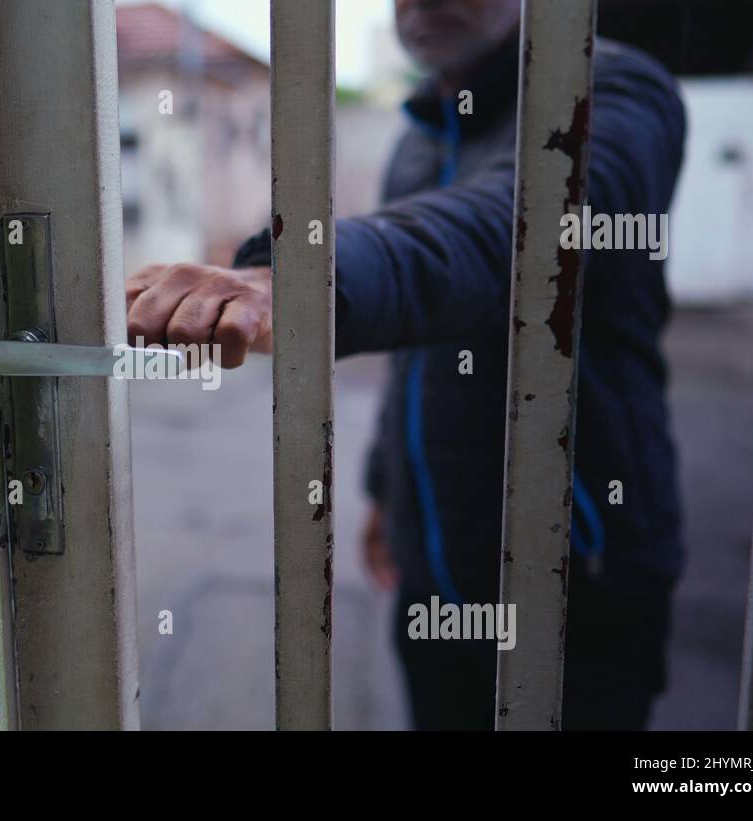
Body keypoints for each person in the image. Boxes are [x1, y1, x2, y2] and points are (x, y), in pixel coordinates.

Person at [124, 0, 687, 730]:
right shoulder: (422, 135)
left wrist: (304, 280)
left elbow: (520, 229)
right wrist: (389, 490)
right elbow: (422, 346)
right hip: (441, 553)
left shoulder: (611, 88)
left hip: (581, 563)